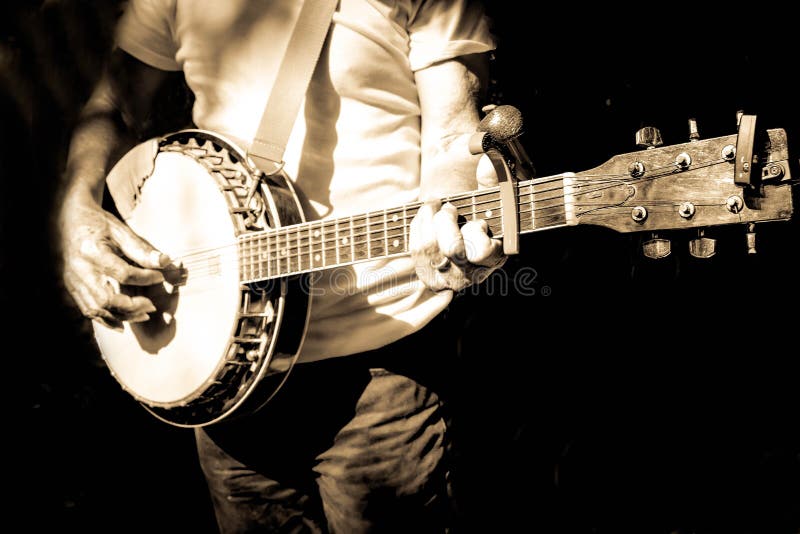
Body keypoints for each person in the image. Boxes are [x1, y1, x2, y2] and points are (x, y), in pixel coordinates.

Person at [57, 0, 507, 531]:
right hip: (226, 373)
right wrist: (76, 209)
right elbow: (113, 105)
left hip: (382, 367)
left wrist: (449, 224)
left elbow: (454, 137)